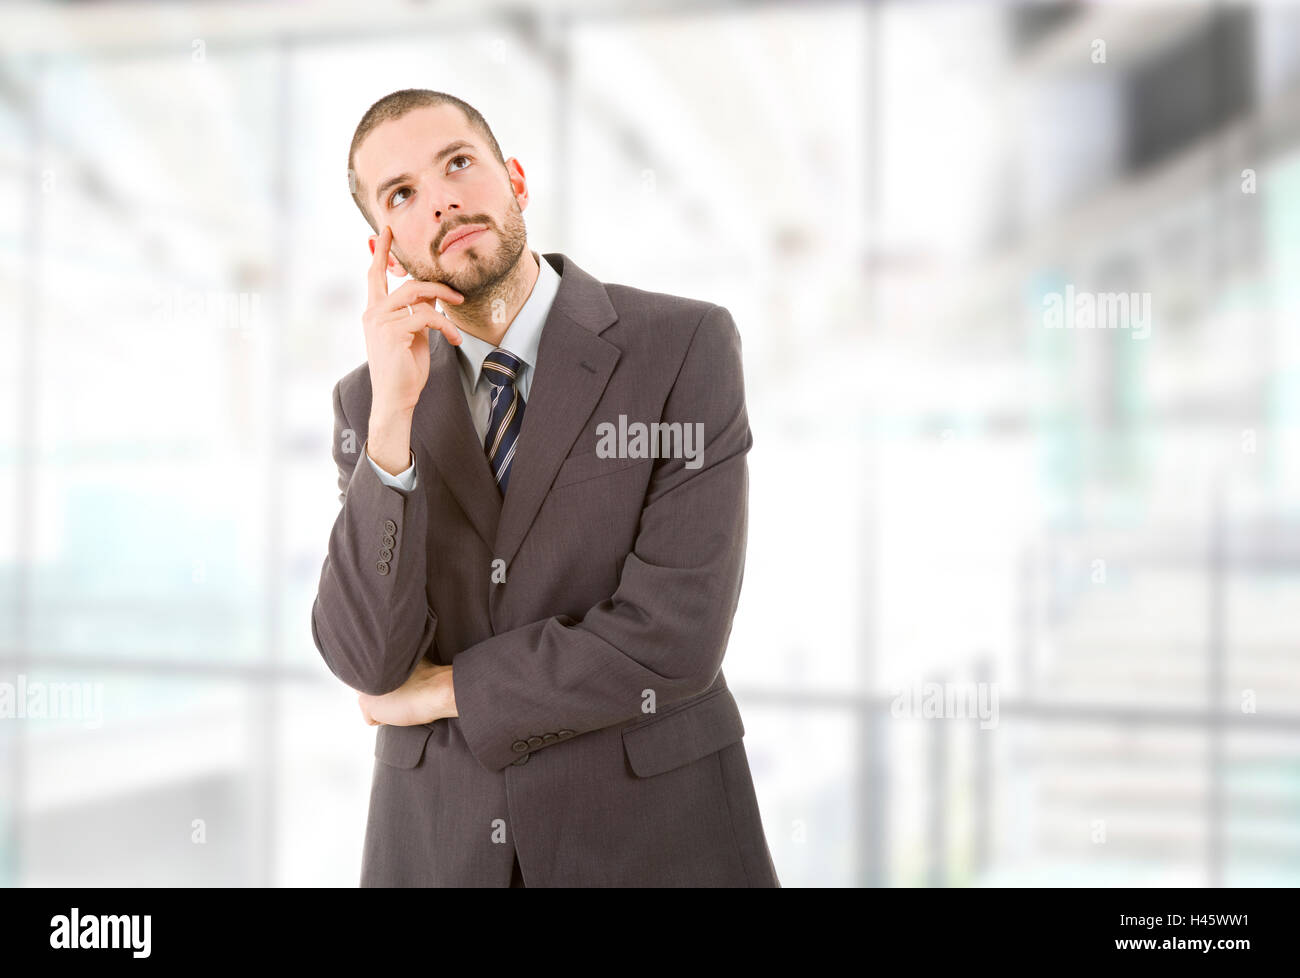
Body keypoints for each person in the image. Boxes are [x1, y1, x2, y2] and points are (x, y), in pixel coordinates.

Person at [312, 88, 779, 887]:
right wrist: (391, 422)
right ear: (383, 248)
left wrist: (448, 692)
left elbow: (674, 637)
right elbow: (367, 657)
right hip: (439, 847)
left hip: (654, 839)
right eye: (402, 195)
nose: (443, 201)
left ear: (516, 180)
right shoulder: (369, 402)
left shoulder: (681, 345)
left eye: (458, 163)